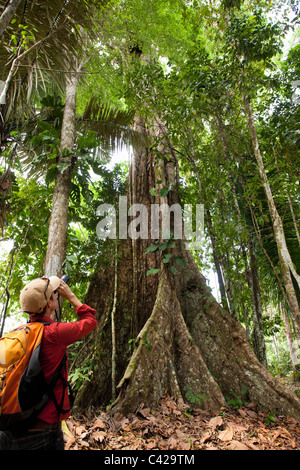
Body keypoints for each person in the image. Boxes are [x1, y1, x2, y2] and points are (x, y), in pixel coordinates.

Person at [0, 276, 98, 450]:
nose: (55, 297)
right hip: (43, 432)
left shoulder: (17, 333)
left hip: (12, 426)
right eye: (53, 296)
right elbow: (90, 322)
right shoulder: (54, 333)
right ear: (49, 304)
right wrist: (71, 296)